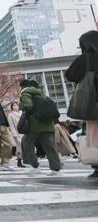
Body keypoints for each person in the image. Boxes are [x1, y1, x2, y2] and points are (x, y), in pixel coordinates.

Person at [65, 30, 98, 178]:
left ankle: (97, 167)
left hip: (93, 103)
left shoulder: (86, 59)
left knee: (95, 135)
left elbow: (70, 75)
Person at [19, 79, 62, 176]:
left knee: (27, 142)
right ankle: (56, 169)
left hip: (34, 124)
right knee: (50, 145)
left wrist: (22, 106)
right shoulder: (42, 94)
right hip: (48, 123)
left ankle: (33, 166)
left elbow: (28, 106)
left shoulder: (25, 93)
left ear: (24, 86)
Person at [7, 102, 25, 168]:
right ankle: (19, 161)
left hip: (24, 132)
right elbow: (11, 125)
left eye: (16, 105)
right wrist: (14, 133)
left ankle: (25, 160)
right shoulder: (11, 115)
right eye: (14, 105)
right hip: (17, 133)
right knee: (19, 147)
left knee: (25, 146)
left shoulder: (22, 113)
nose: (15, 106)